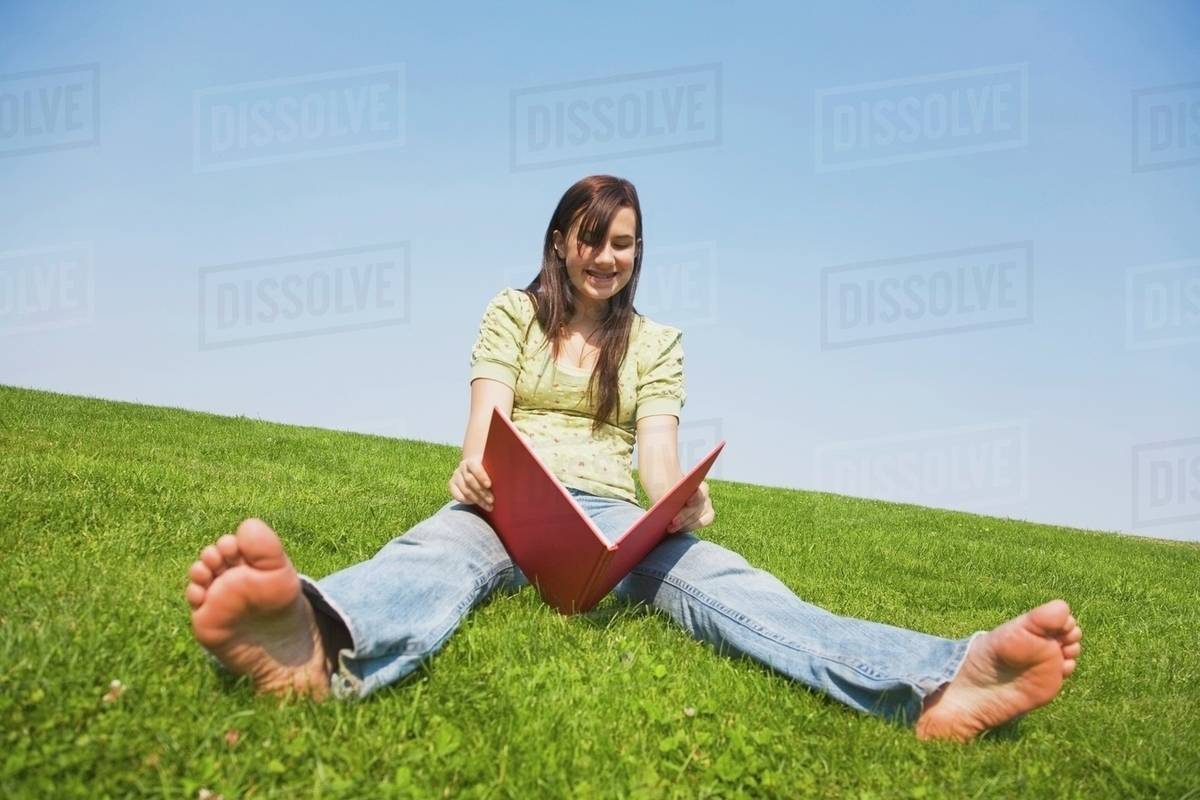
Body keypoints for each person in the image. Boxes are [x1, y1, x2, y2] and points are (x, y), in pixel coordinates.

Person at [185, 175, 1083, 742]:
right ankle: (314, 638)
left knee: (738, 589)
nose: (605, 256)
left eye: (623, 243)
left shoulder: (657, 341)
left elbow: (658, 452)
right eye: (590, 237)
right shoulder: (511, 312)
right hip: (510, 507)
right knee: (433, 557)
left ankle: (939, 682)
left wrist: (680, 503)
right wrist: (471, 476)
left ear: (636, 252)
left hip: (614, 518)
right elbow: (486, 422)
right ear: (561, 240)